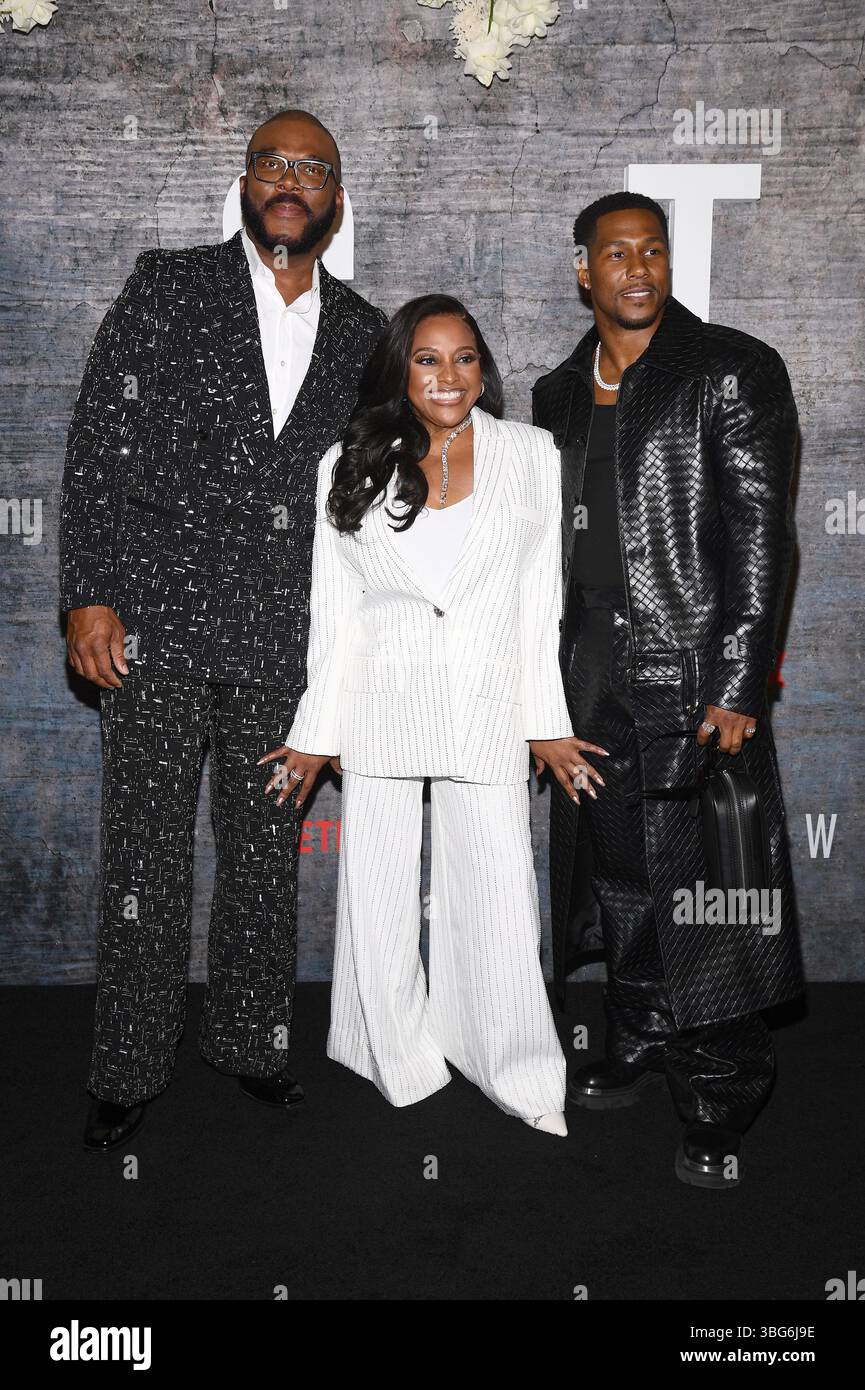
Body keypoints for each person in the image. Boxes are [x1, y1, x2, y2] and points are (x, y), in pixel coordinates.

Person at [59, 109, 387, 1151]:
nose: (290, 181)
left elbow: (378, 491)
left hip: (285, 634)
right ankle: (128, 1064)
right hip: (151, 623)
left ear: (334, 201)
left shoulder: (362, 332)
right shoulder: (168, 285)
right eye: (272, 163)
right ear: (244, 182)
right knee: (145, 854)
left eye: (312, 169)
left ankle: (249, 1041)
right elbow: (99, 442)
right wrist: (88, 593)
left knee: (263, 855)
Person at [260, 297, 597, 1133]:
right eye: (426, 359)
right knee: (374, 887)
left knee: (498, 888)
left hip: (487, 699)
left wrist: (542, 720)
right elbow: (334, 610)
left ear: (484, 369)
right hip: (380, 697)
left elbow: (536, 603)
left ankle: (509, 1062)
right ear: (398, 370)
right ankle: (392, 1052)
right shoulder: (349, 459)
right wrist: (315, 731)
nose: (448, 376)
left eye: (465, 358)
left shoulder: (531, 455)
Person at [533, 192, 804, 1186]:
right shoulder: (557, 391)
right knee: (617, 869)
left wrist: (738, 680)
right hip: (589, 670)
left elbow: (762, 534)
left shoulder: (729, 369)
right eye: (615, 253)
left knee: (710, 888)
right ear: (582, 270)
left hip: (694, 671)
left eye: (652, 250)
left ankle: (721, 1084)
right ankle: (644, 1029)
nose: (636, 267)